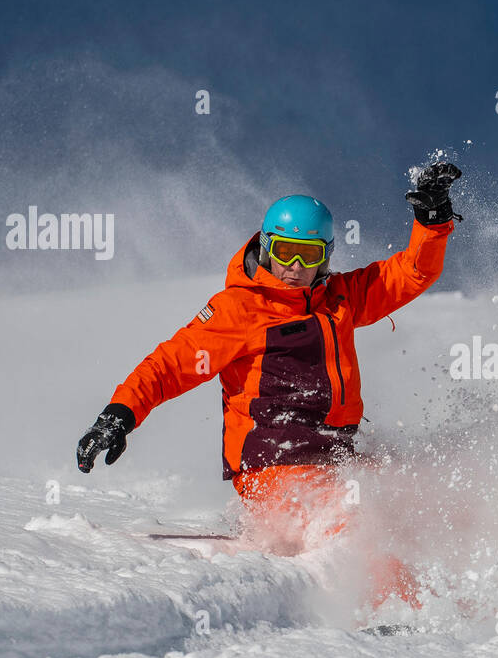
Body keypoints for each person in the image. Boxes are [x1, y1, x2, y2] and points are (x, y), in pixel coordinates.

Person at [76, 162, 463, 607]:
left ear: (326, 257)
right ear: (265, 247)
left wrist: (432, 222)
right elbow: (170, 364)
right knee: (355, 524)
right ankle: (403, 614)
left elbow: (411, 273)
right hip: (273, 467)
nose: (294, 267)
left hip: (334, 458)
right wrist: (119, 414)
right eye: (284, 251)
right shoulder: (239, 310)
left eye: (308, 255)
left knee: (427, 489)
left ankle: (467, 590)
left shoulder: (340, 298)